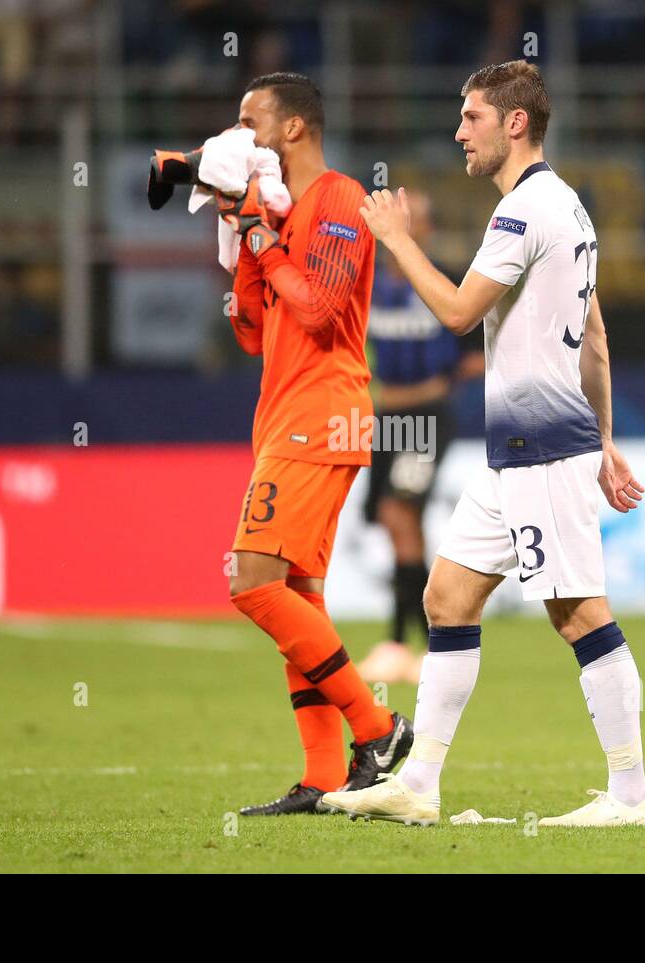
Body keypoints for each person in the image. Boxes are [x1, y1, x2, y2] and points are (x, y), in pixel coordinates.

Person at [323, 61, 645, 828]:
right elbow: (595, 336)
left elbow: (456, 312)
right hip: (520, 450)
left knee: (576, 613)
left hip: (541, 447)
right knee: (447, 597)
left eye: (470, 117)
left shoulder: (522, 212)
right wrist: (605, 438)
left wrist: (396, 241)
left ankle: (632, 796)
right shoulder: (569, 208)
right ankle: (421, 784)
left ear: (514, 124)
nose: (458, 131)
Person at [219, 73, 413, 816]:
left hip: (322, 413)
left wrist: (266, 238)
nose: (240, 136)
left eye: (250, 121)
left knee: (251, 581)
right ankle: (327, 774)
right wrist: (248, 237)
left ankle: (378, 728)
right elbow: (249, 330)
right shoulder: (283, 211)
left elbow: (324, 309)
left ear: (293, 128)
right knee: (295, 592)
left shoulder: (335, 197)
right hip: (285, 416)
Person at [357, 188, 483, 686]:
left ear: (425, 231)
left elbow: (477, 348)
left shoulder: (442, 285)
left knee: (398, 512)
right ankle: (422, 644)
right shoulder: (368, 289)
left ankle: (405, 642)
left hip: (427, 416)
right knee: (396, 524)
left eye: (414, 221)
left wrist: (445, 380)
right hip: (384, 418)